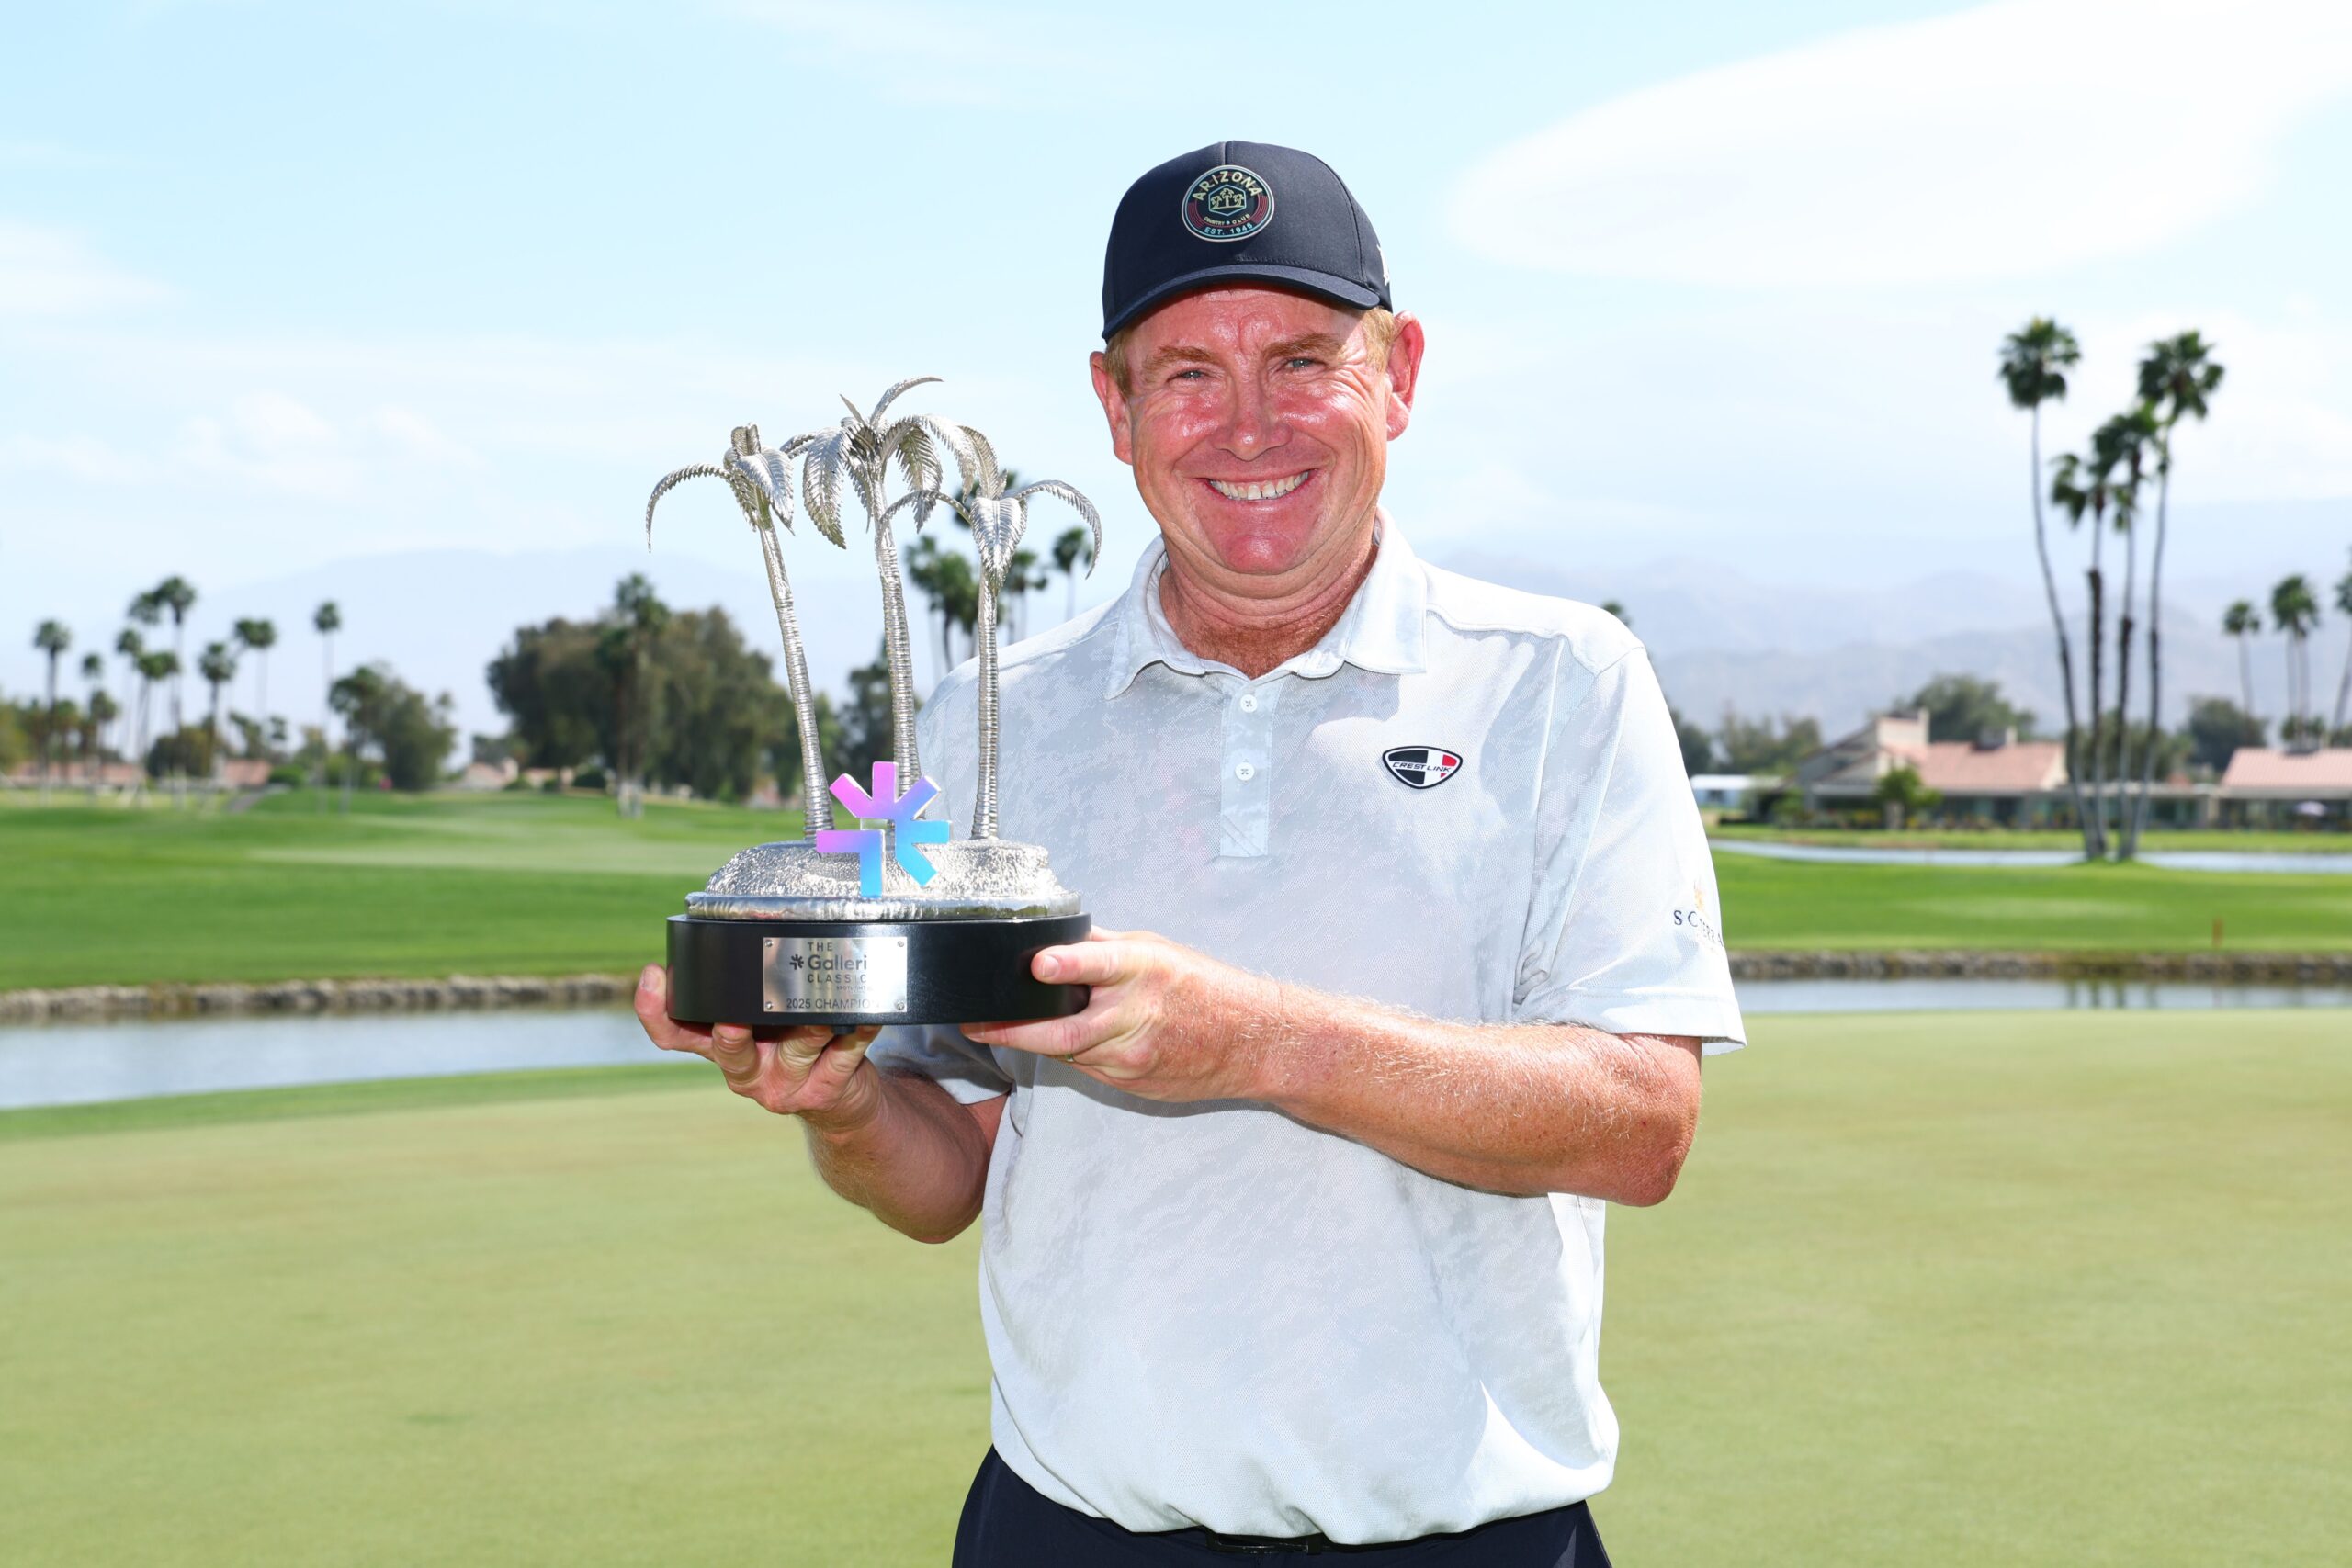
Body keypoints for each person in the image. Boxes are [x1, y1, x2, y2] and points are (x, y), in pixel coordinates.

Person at [636, 140, 1744, 1564]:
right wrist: (842, 1109)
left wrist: (1254, 1040)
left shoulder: (1560, 682)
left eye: (1301, 361)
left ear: (1399, 373)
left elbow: (1641, 1124)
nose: (1248, 426)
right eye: (1189, 374)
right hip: (1067, 1529)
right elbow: (951, 1174)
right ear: (1115, 404)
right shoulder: (994, 718)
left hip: (1463, 1537)